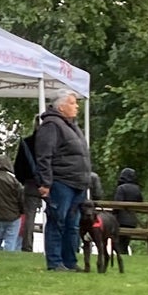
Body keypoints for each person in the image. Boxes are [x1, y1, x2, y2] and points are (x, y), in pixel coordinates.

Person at [32, 90, 90, 272]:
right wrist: (45, 183)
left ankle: (70, 261)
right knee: (58, 221)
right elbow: (43, 156)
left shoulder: (72, 126)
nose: (77, 106)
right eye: (73, 103)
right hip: (61, 182)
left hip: (77, 183)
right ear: (61, 106)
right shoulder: (51, 125)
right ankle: (55, 262)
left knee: (72, 225)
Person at [110, 166, 144, 255]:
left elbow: (117, 204)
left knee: (119, 241)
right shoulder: (137, 189)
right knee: (125, 241)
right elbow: (140, 202)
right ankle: (124, 253)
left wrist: (113, 215)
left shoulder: (121, 188)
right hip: (132, 220)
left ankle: (120, 255)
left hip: (120, 219)